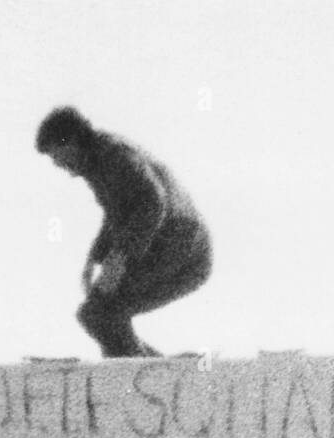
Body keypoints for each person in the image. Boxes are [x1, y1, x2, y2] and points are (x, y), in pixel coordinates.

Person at [36, 105, 213, 358]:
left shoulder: (115, 155)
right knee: (97, 315)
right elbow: (116, 216)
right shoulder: (97, 163)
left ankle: (145, 371)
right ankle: (152, 368)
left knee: (100, 313)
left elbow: (153, 202)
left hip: (183, 247)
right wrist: (94, 260)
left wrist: (120, 257)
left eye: (57, 155)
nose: (57, 164)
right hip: (175, 250)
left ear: (72, 142)